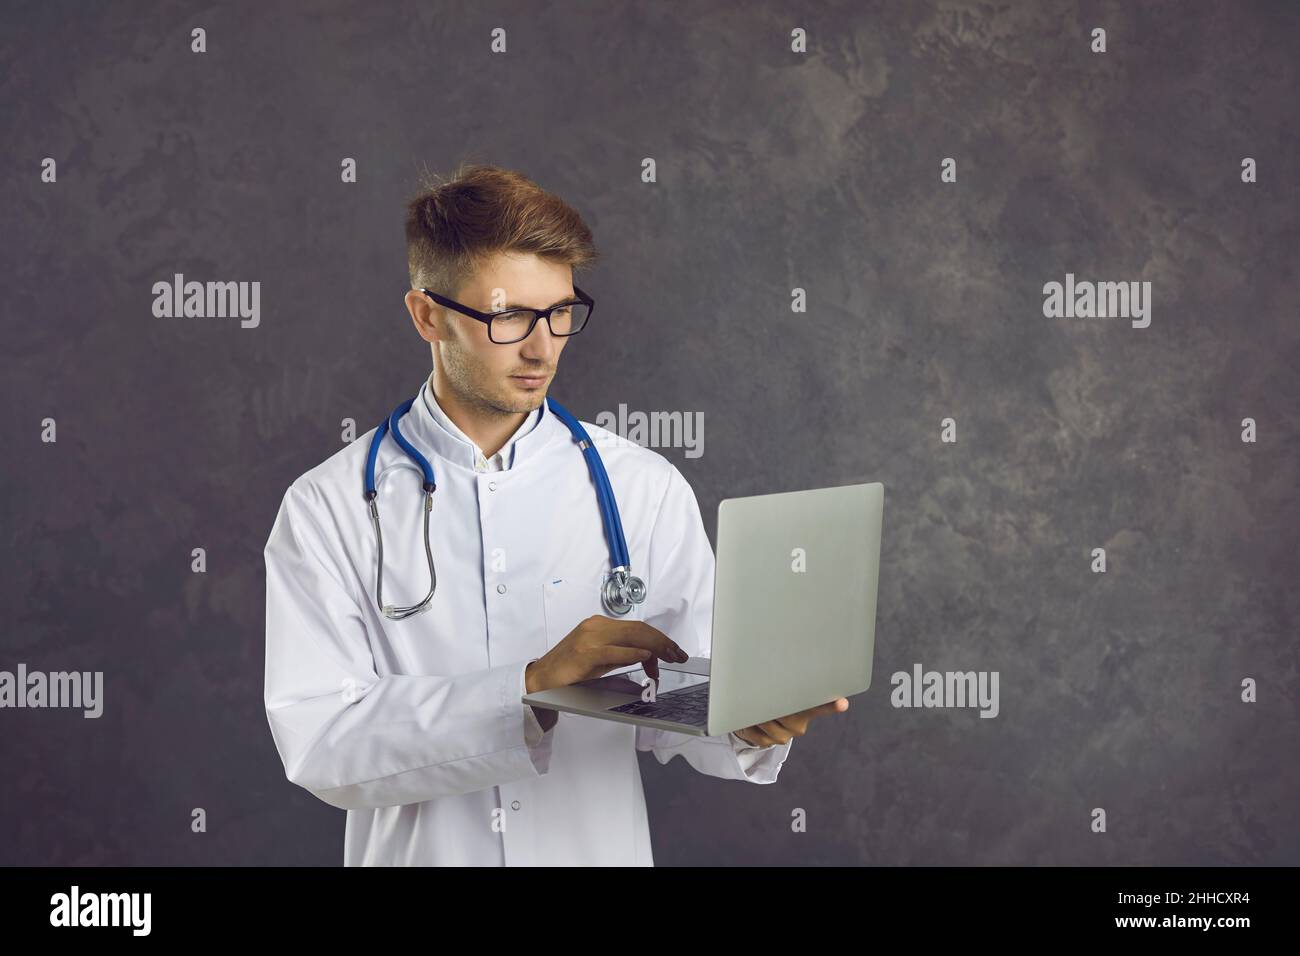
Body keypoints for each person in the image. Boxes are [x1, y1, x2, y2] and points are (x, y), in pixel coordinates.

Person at [262, 163, 849, 865]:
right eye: (508, 315)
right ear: (428, 315)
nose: (542, 346)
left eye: (560, 312)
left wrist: (751, 722)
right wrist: (530, 689)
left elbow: (684, 702)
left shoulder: (643, 488)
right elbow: (323, 743)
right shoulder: (326, 508)